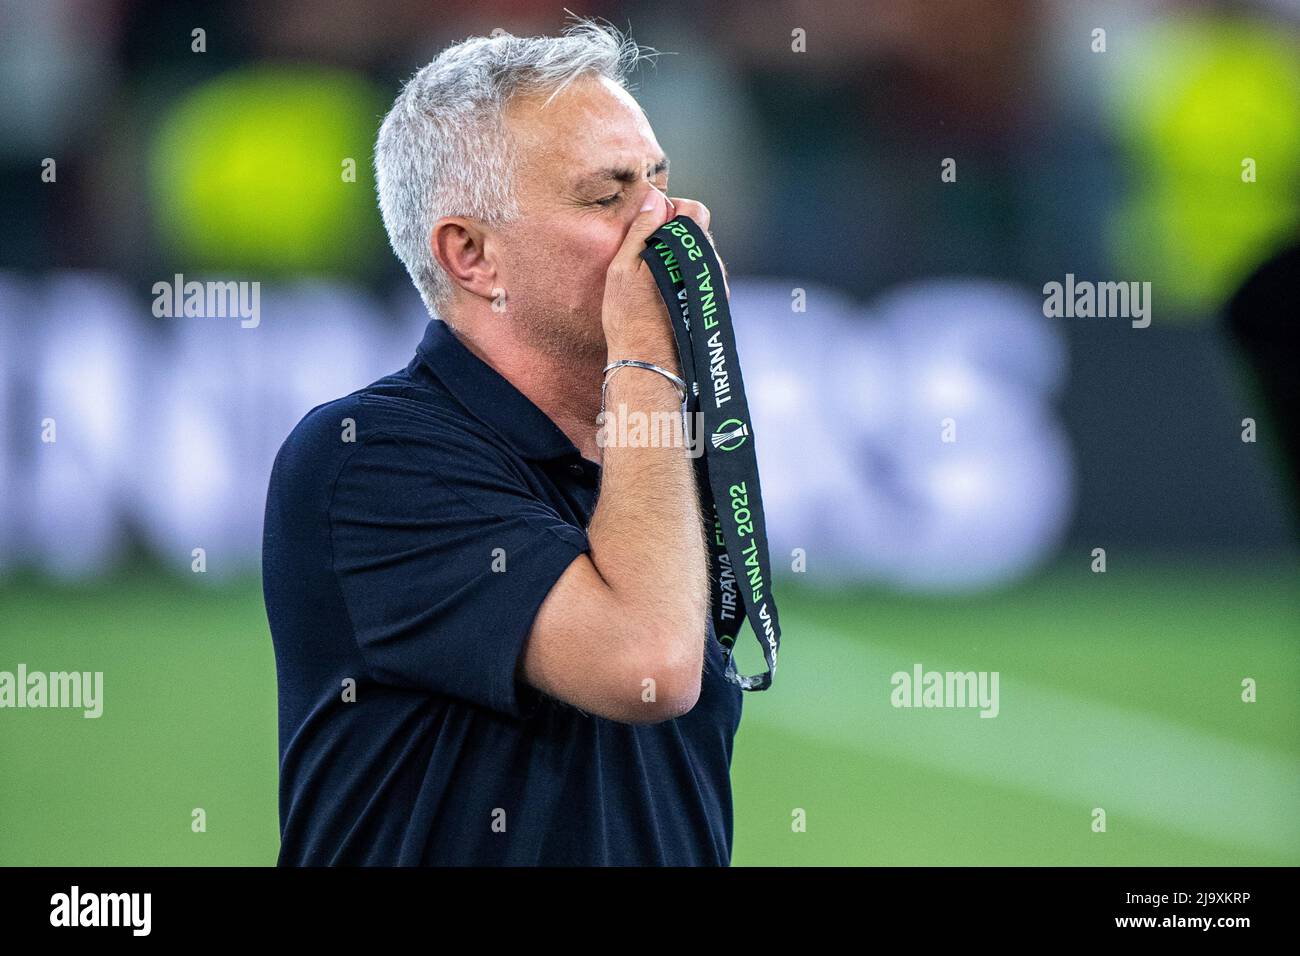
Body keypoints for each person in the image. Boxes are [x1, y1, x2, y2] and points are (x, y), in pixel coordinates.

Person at [262, 18, 743, 865]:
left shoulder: (644, 456)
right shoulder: (364, 458)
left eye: (660, 183)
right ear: (473, 256)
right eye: (608, 197)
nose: (666, 226)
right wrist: (647, 359)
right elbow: (647, 669)